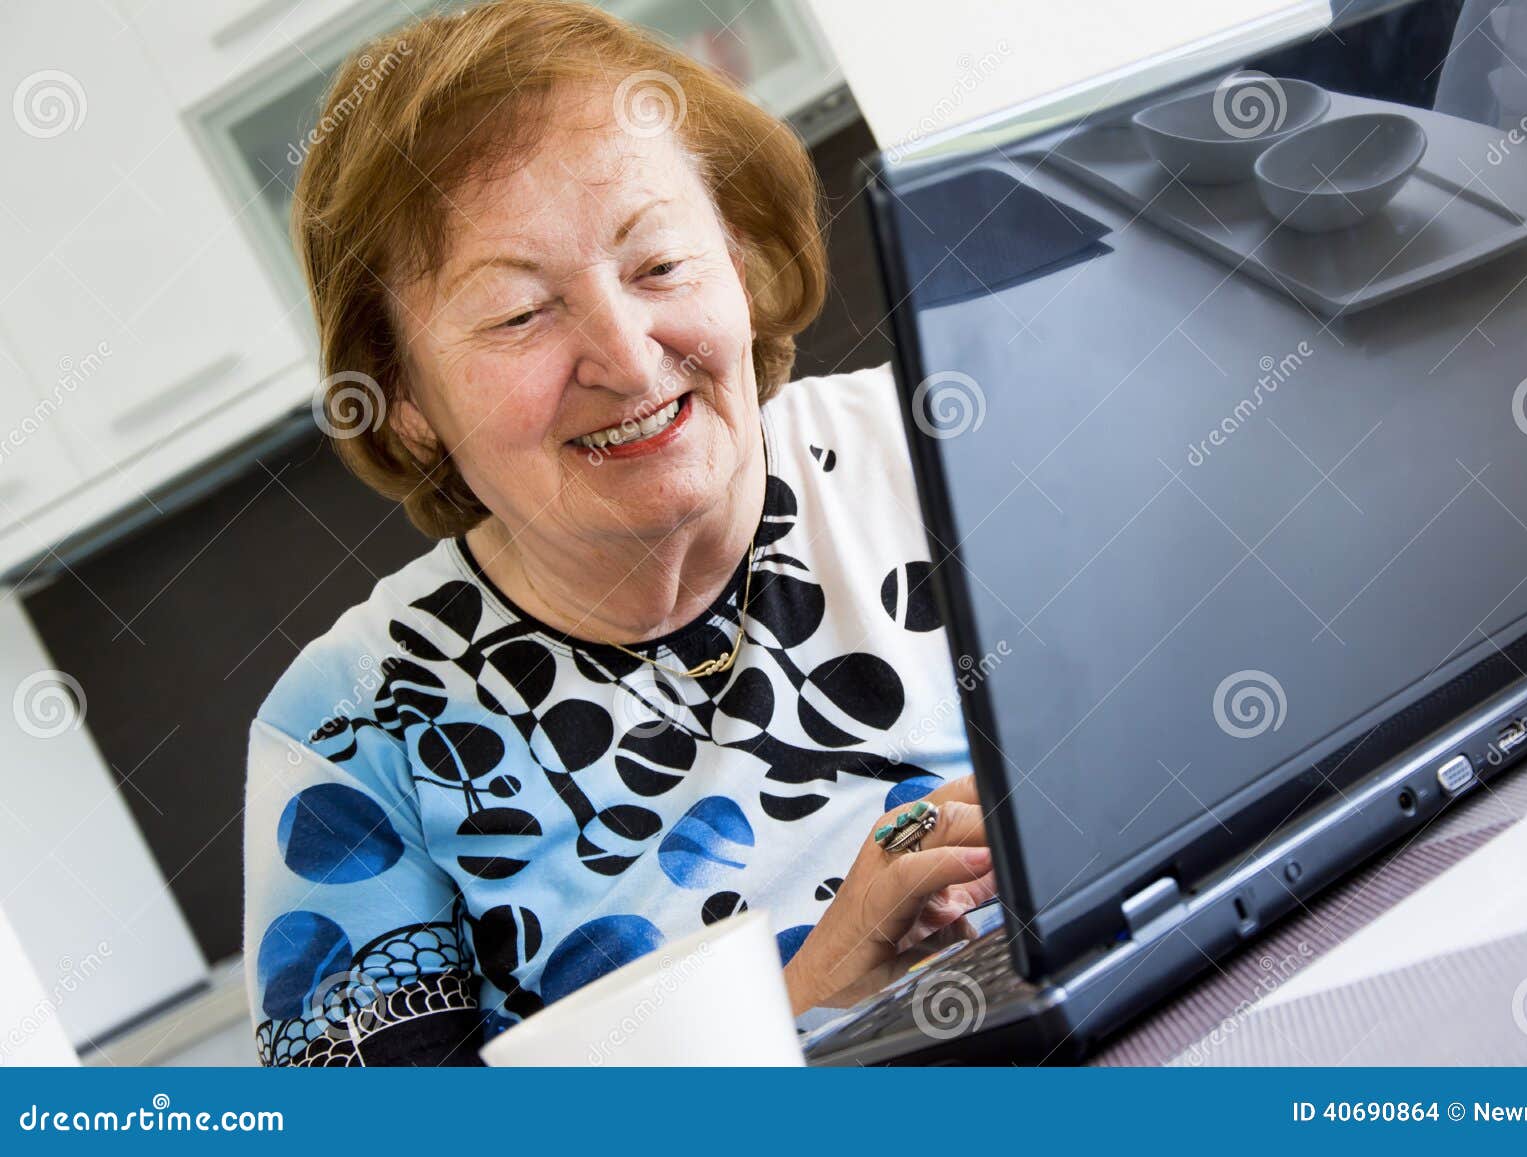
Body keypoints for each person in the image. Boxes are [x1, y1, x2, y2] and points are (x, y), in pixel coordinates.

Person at [243, 0, 991, 1066]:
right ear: (401, 394)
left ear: (735, 258)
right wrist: (810, 998)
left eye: (658, 267)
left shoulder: (943, 442)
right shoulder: (353, 730)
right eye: (517, 315)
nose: (629, 360)